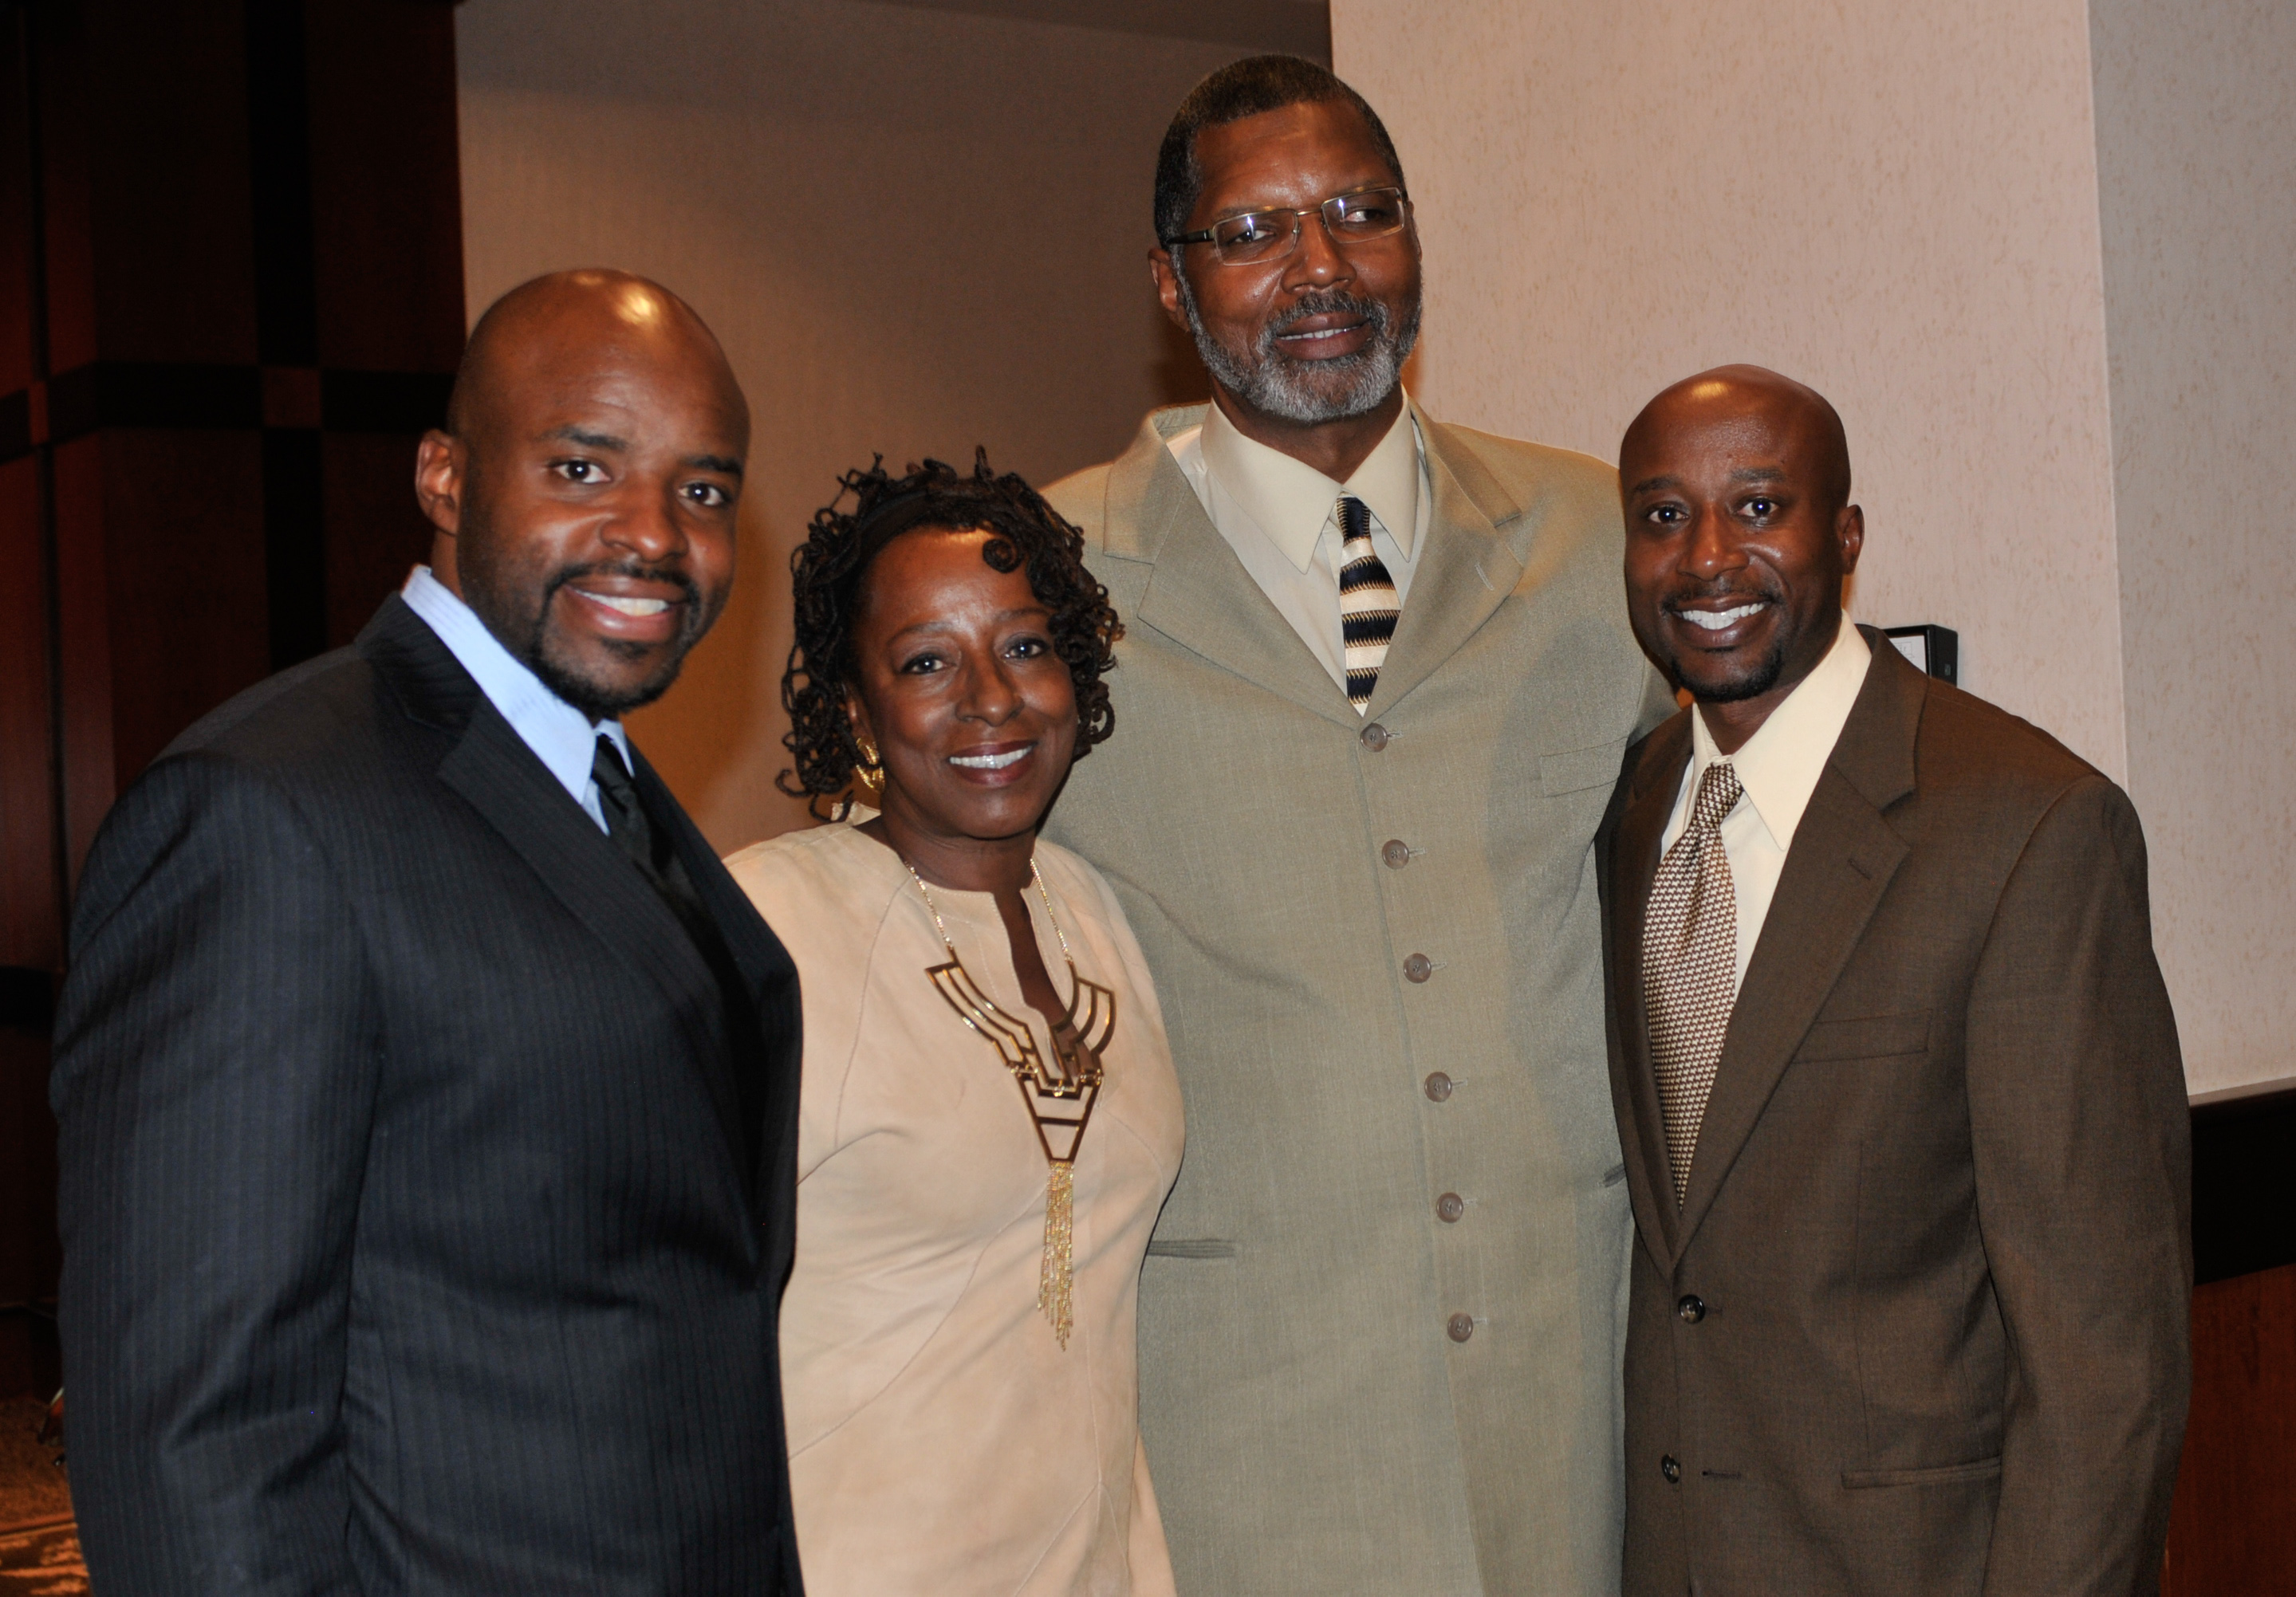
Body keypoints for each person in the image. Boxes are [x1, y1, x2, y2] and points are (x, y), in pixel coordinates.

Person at [50, 270, 808, 1595]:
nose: (653, 535)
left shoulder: (605, 789)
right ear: (445, 478)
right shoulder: (268, 813)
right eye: (584, 467)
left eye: (703, 490)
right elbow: (192, 1440)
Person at [1038, 54, 1674, 1596]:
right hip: (1233, 1435)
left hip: (1572, 1423)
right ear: (1171, 288)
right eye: (1253, 233)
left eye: (1360, 213)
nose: (1318, 268)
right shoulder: (1040, 581)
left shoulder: (1607, 540)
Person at [1597, 364, 2190, 1594]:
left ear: (1847, 535)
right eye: (1663, 516)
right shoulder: (1639, 802)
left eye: (1760, 506)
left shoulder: (2027, 830)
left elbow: (2104, 1357)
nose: (1708, 557)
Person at [726, 455, 1182, 1595]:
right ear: (856, 709)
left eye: (1024, 646)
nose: (991, 697)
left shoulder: (1094, 911)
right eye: (927, 661)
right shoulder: (766, 926)